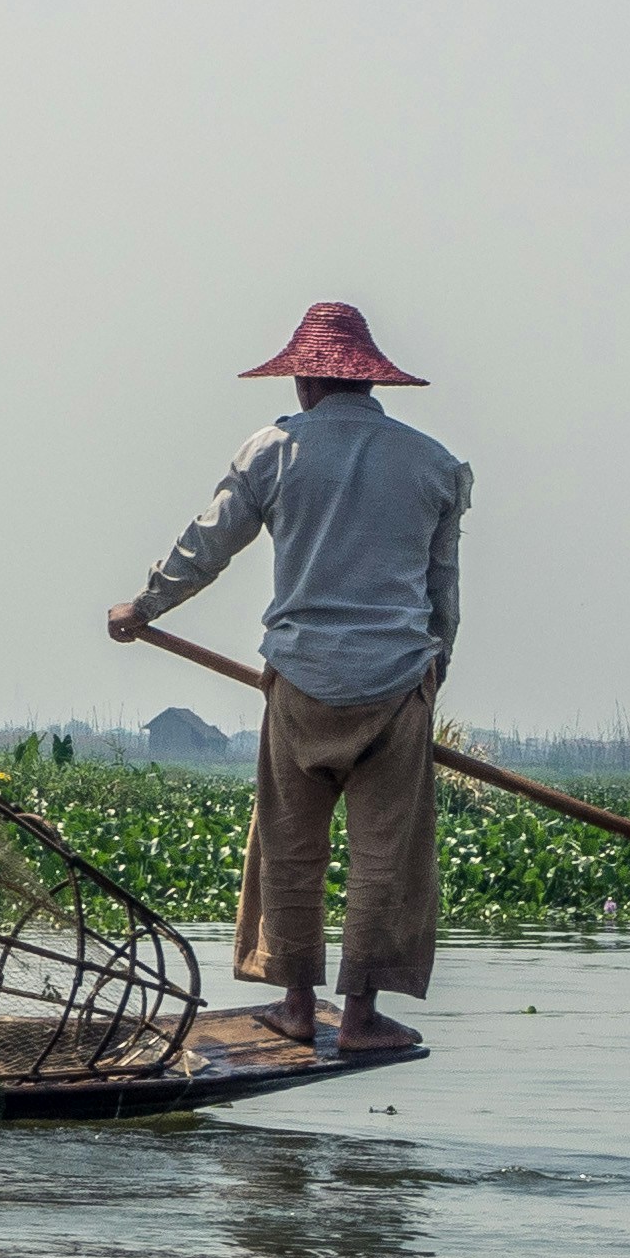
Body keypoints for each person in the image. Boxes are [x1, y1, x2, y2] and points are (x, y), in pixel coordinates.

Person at [104, 303, 470, 1054]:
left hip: (300, 681)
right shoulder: (434, 464)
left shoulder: (272, 450)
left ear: (305, 379)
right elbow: (443, 596)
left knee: (289, 849)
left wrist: (144, 606)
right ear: (369, 384)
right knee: (385, 856)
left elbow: (206, 546)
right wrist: (433, 675)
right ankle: (363, 1018)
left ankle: (298, 1006)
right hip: (397, 685)